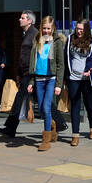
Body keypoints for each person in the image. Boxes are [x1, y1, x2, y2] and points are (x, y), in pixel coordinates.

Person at [0, 11, 38, 139]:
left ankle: (10, 127)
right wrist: (19, 73)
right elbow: (23, 56)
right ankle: (59, 122)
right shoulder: (26, 34)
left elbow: (35, 56)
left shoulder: (34, 34)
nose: (20, 19)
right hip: (25, 73)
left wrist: (30, 73)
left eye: (22, 18)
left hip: (31, 74)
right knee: (40, 100)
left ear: (29, 21)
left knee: (19, 99)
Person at [28, 16, 67, 151]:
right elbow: (34, 62)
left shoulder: (57, 42)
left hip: (51, 79)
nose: (46, 31)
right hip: (38, 79)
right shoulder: (37, 39)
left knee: (45, 107)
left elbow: (61, 65)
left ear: (53, 28)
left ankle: (46, 140)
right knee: (44, 111)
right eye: (44, 28)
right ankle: (52, 125)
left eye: (48, 29)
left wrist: (58, 84)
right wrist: (31, 81)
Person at [66, 19, 92, 144]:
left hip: (86, 79)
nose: (79, 31)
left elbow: (91, 58)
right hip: (73, 78)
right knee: (75, 105)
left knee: (89, 105)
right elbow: (66, 57)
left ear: (86, 30)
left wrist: (88, 69)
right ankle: (75, 135)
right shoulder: (70, 40)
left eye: (81, 29)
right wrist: (66, 77)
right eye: (77, 28)